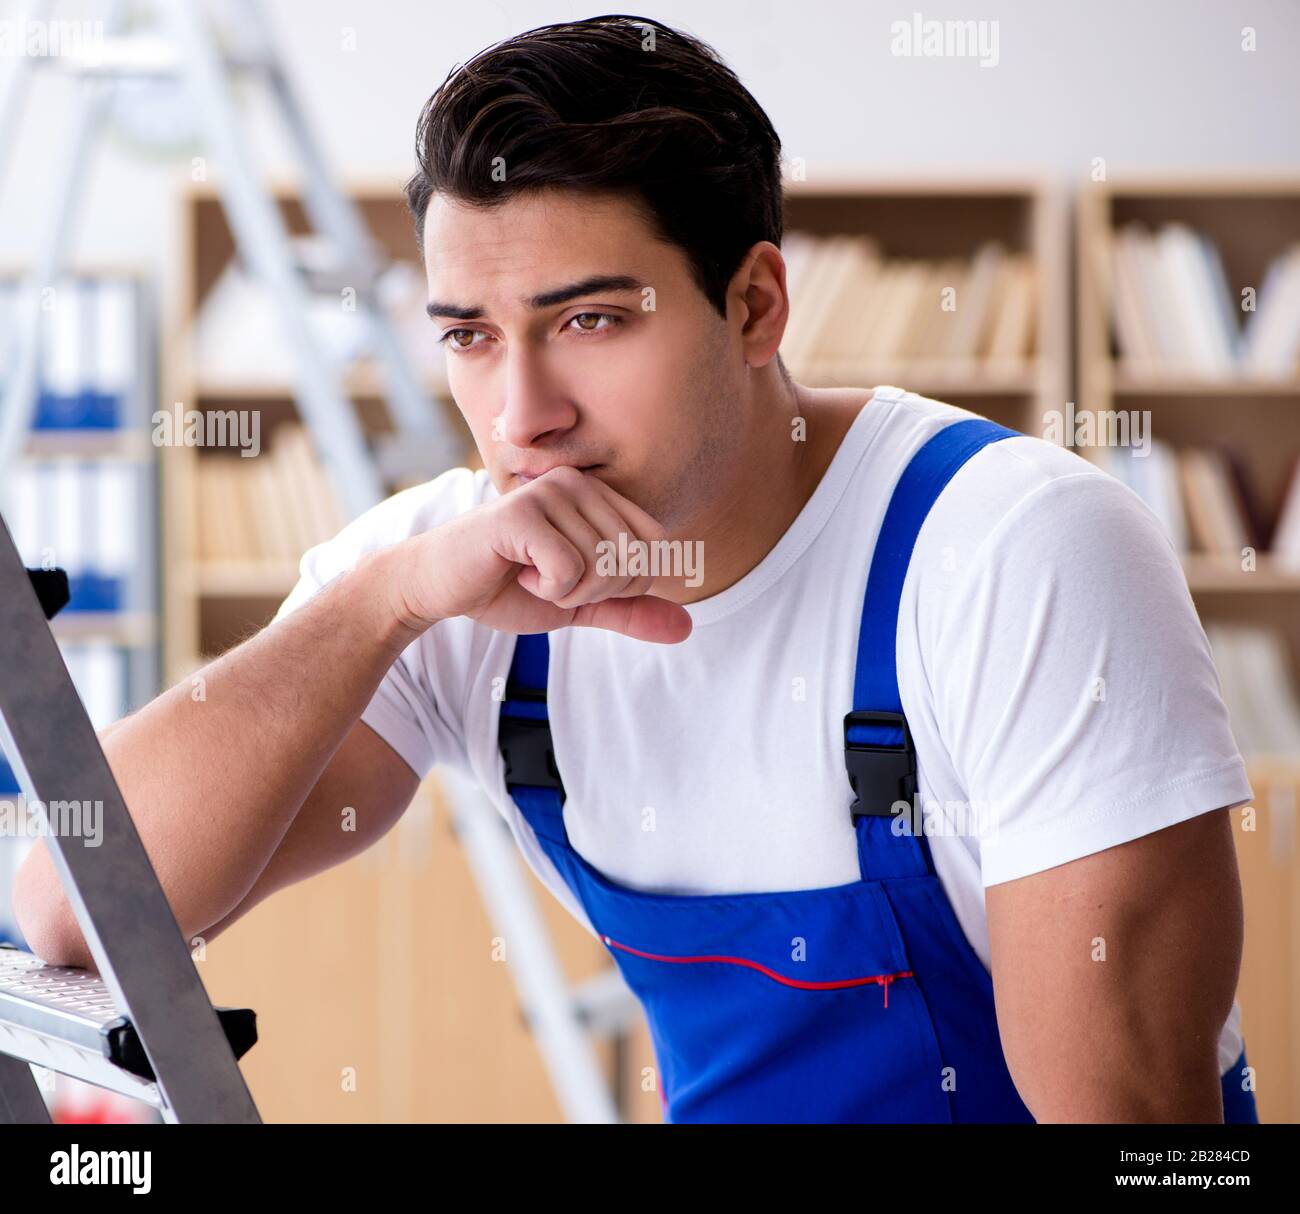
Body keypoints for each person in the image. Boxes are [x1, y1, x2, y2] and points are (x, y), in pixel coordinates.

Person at [13, 14, 1258, 1123]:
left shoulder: (1013, 553)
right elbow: (75, 910)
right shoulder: (449, 568)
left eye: (589, 321)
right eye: (468, 338)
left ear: (756, 304)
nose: (521, 415)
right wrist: (381, 603)